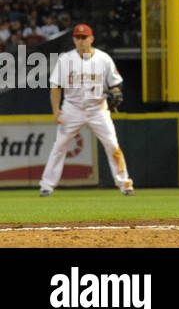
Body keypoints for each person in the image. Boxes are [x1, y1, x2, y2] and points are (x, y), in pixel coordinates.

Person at [39, 23, 134, 196]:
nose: (81, 40)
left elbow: (115, 84)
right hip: (72, 109)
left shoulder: (104, 59)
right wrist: (56, 110)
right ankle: (46, 186)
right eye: (78, 37)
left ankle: (125, 184)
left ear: (91, 39)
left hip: (98, 109)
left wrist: (116, 92)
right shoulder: (66, 59)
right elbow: (55, 87)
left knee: (113, 146)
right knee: (59, 146)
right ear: (74, 39)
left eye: (84, 37)